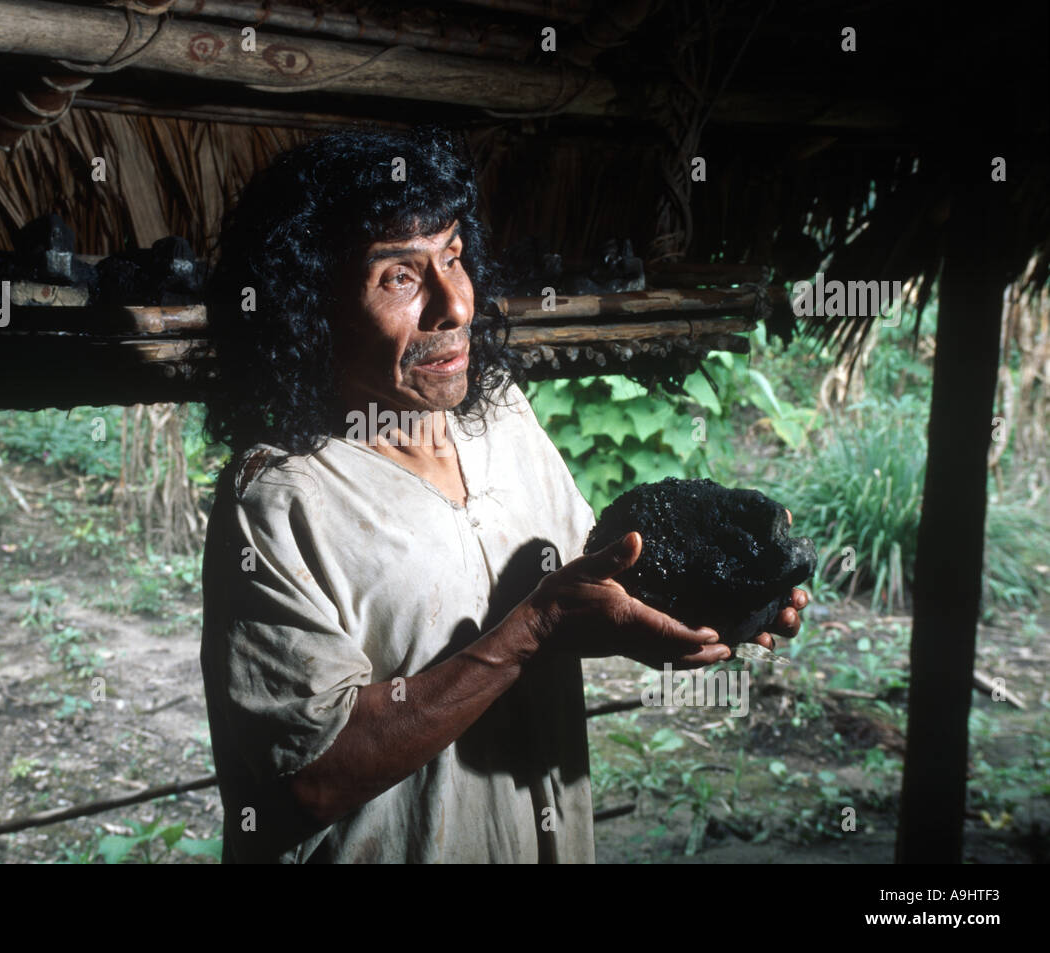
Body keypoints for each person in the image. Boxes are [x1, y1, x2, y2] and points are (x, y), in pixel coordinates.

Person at [199, 126, 805, 863]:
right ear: (310, 309)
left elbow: (585, 590)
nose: (454, 304)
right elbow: (307, 778)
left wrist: (703, 603)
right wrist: (533, 628)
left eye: (453, 256)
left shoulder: (500, 418)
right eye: (399, 276)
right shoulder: (278, 501)